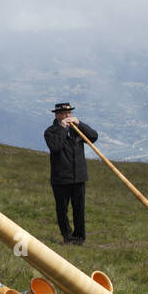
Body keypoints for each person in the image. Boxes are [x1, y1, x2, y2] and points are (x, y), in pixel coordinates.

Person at [44, 102, 98, 245]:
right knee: (62, 210)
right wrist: (63, 128)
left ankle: (80, 238)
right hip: (61, 179)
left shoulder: (77, 129)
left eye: (70, 113)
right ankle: (67, 237)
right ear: (58, 115)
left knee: (79, 209)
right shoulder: (50, 132)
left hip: (79, 177)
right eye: (65, 114)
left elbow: (93, 136)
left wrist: (80, 123)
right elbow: (55, 147)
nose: (68, 116)